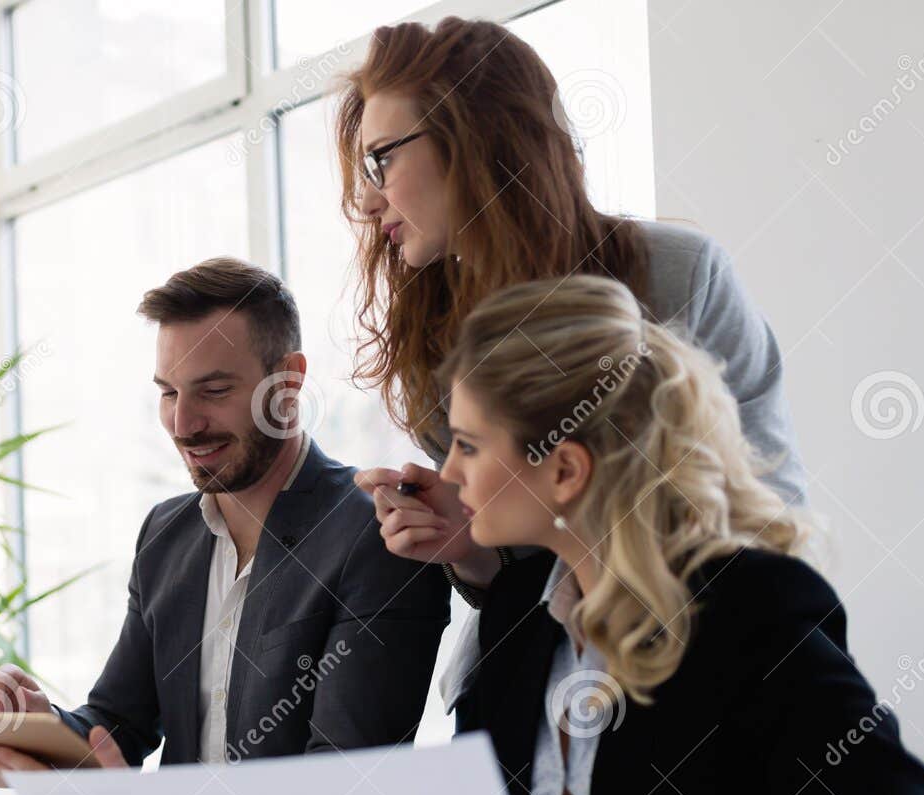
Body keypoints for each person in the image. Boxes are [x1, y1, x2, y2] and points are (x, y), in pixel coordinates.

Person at [437, 274, 924, 795]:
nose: (449, 472)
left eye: (466, 445)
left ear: (565, 469)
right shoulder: (518, 607)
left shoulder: (757, 611)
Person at [335, 17, 806, 706]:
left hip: (699, 666)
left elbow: (767, 511)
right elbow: (517, 571)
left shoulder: (680, 278)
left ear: (475, 143)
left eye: (382, 160)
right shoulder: (430, 336)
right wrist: (470, 544)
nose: (366, 198)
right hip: (535, 678)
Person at [0, 257, 449, 775]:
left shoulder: (375, 533)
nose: (182, 424)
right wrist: (43, 724)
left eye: (214, 392)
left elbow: (343, 780)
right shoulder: (164, 534)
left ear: (288, 382)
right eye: (168, 392)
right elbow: (118, 723)